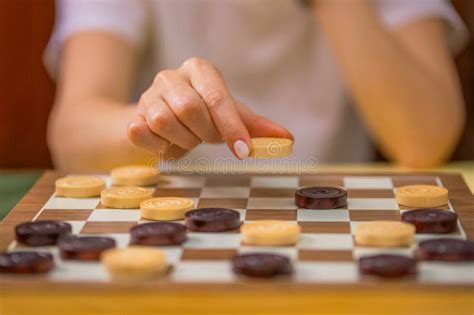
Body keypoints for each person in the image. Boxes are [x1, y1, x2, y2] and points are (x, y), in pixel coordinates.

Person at [44, 0, 468, 172]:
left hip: (326, 223)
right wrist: (154, 119)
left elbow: (424, 141)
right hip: (169, 223)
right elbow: (72, 134)